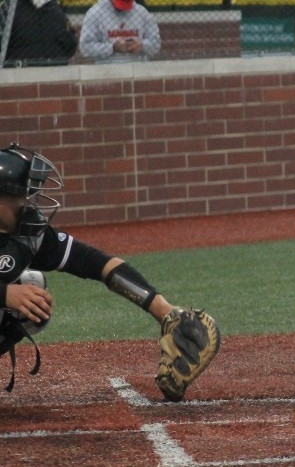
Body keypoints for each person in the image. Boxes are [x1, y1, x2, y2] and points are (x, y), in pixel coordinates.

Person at [0, 143, 220, 399]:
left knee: (33, 292)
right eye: (21, 195)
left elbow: (95, 263)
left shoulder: (27, 236)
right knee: (17, 292)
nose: (29, 203)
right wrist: (6, 294)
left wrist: (162, 310)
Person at [3, 0, 77, 67]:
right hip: (21, 72)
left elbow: (71, 47)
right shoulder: (11, 11)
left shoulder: (55, 11)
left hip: (55, 70)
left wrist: (63, 34)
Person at [78, 0, 161, 62]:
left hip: (138, 70)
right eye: (120, 2)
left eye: (127, 3)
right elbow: (85, 48)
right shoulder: (95, 13)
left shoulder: (142, 13)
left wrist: (142, 46)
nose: (123, 8)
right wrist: (112, 47)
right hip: (107, 72)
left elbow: (156, 44)